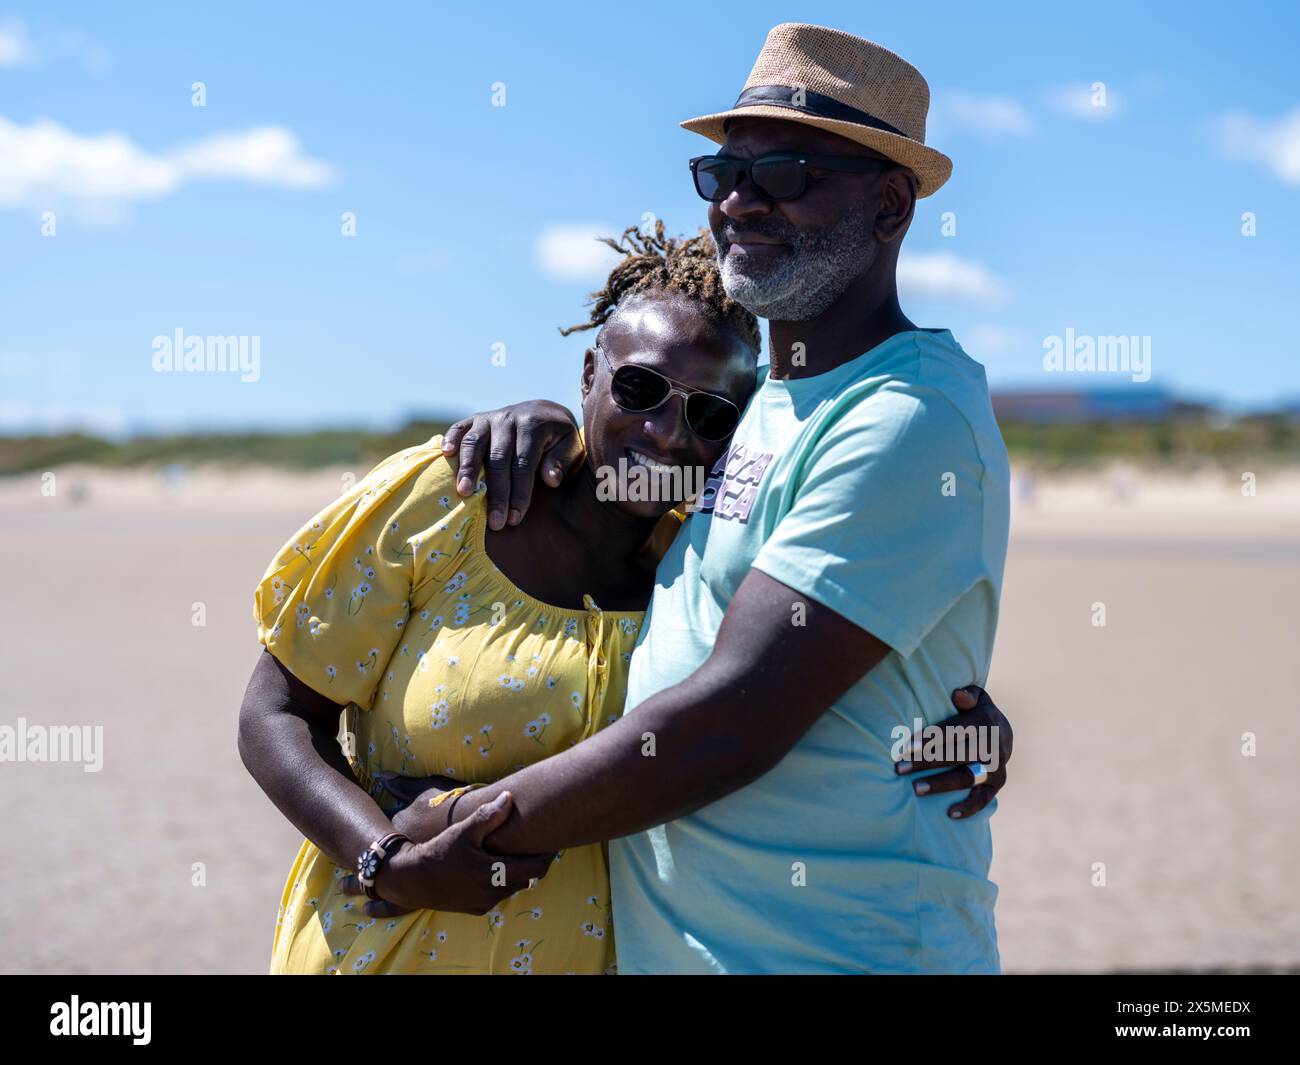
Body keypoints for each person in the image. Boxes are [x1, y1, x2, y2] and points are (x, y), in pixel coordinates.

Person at [361, 24, 1015, 974]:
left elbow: (726, 723)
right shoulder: (751, 409)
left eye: (787, 173)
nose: (743, 201)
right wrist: (545, 422)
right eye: (723, 174)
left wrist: (465, 823)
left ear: (889, 205)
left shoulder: (908, 416)